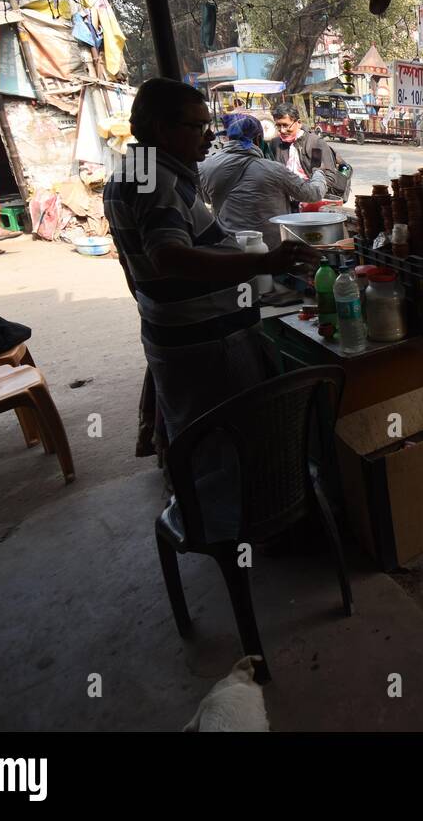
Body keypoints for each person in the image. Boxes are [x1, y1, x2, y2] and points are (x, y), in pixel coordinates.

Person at [103, 79, 319, 529]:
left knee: (203, 435)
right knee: (230, 437)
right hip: (205, 340)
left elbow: (140, 265)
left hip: (176, 329)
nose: (209, 137)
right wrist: (265, 261)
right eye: (197, 127)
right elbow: (168, 256)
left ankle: (223, 518)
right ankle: (241, 529)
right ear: (162, 129)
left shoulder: (134, 170)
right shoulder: (155, 181)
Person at [200, 114, 327, 250]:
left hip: (228, 251)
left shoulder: (205, 167)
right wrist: (318, 172)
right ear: (259, 138)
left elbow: (207, 199)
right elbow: (313, 194)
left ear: (228, 137)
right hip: (269, 252)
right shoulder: (273, 169)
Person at [270, 103, 350, 201]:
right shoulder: (276, 144)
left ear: (298, 123)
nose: (282, 130)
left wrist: (304, 192)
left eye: (286, 125)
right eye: (278, 126)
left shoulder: (314, 144)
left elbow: (327, 176)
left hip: (311, 198)